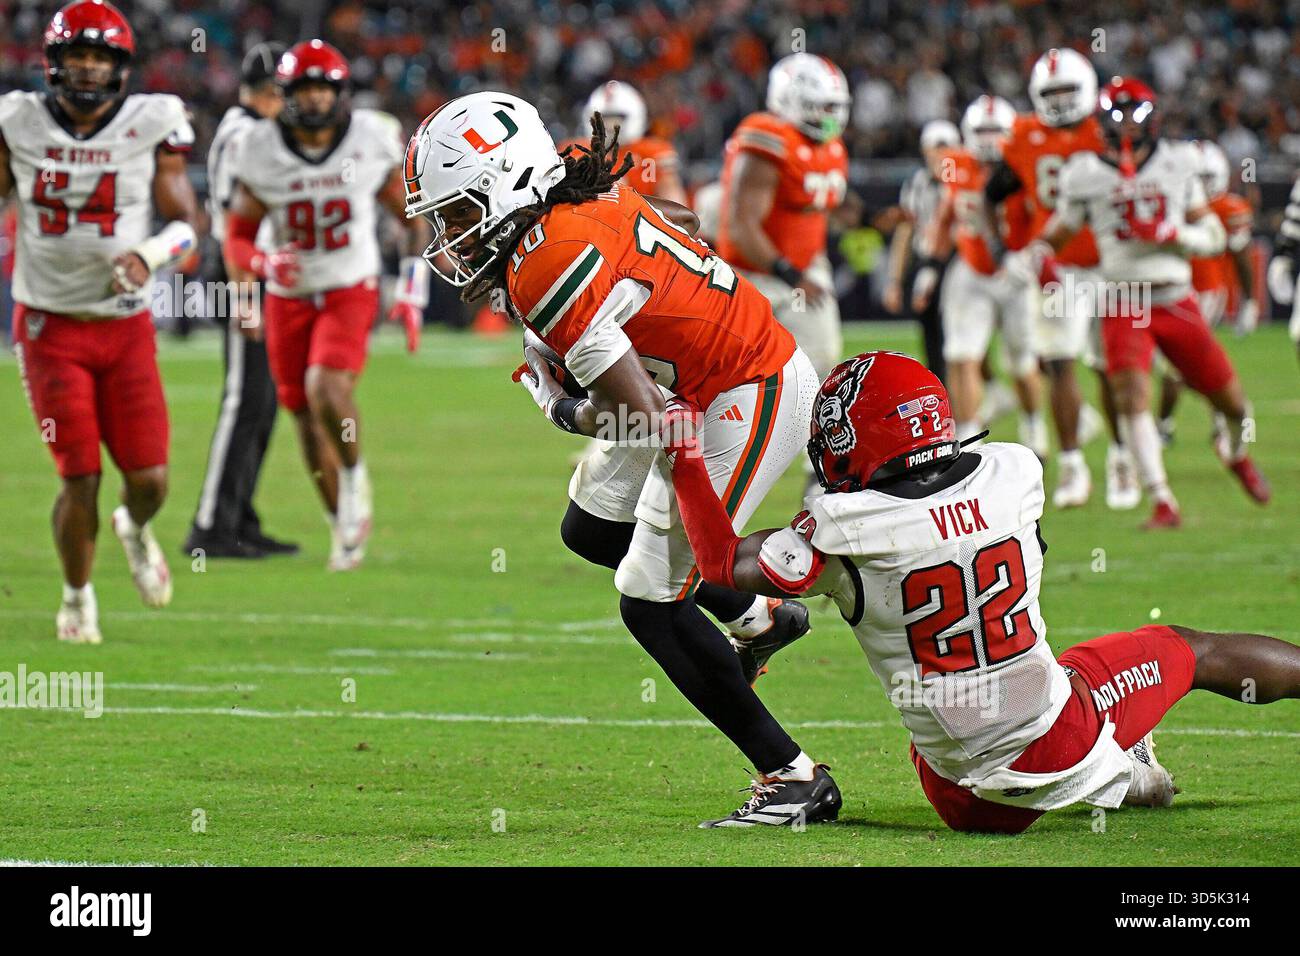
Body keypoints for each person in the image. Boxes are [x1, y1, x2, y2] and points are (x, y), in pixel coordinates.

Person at [404, 93, 839, 827]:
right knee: (593, 531)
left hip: (742, 386)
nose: (451, 236)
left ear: (506, 183)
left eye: (455, 213)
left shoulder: (548, 259)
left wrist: (559, 404)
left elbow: (650, 419)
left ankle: (792, 773)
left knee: (649, 601)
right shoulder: (570, 178)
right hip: (686, 380)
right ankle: (758, 616)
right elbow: (684, 222)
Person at [661, 349, 1300, 832]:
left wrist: (687, 456)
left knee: (985, 694)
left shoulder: (837, 533)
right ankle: (1122, 771)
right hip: (1058, 732)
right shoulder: (1014, 471)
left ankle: (1126, 774)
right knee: (1187, 650)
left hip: (959, 797)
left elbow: (716, 562)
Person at [1, 0, 200, 643]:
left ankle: (135, 527)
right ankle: (76, 595)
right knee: (77, 472)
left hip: (124, 325)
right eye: (76, 55)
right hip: (50, 327)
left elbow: (188, 229)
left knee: (150, 478)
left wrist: (150, 255)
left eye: (100, 56)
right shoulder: (17, 122)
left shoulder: (153, 122)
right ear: (52, 63)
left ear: (121, 67)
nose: (87, 67)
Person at [1028, 77, 1269, 528]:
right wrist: (1040, 256)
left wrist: (1171, 234)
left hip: (1175, 296)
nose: (1126, 129)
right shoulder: (1085, 171)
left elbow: (1214, 236)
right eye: (1116, 118)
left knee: (1233, 403)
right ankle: (1162, 499)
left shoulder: (1177, 163)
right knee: (1132, 395)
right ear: (1100, 123)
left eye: (1134, 117)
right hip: (1123, 298)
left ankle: (1235, 454)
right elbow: (1056, 232)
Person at [222, 40, 426, 571]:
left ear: (341, 93)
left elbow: (409, 218)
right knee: (302, 417)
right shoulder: (259, 147)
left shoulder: (369, 138)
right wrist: (263, 266)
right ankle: (341, 526)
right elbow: (237, 236)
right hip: (288, 297)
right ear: (284, 94)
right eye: (303, 89)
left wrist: (411, 289)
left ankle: (357, 480)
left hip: (348, 285)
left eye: (324, 88)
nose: (314, 100)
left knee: (324, 388)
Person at [988, 48, 1130, 509]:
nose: (1062, 101)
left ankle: (1122, 456)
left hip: (1110, 264)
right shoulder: (1025, 135)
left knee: (1111, 366)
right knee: (1061, 362)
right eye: (1053, 93)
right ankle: (1072, 464)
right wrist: (1004, 248)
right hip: (1058, 269)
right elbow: (992, 192)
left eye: (1069, 90)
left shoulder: (1106, 129)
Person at [182, 41, 298, 560]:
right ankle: (210, 525)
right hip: (242, 275)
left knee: (262, 402)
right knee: (243, 400)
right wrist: (246, 298)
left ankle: (238, 517)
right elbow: (233, 226)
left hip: (261, 274)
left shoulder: (250, 129)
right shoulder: (244, 134)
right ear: (270, 92)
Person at [717, 53, 851, 382]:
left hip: (804, 267)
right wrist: (792, 276)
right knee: (725, 376)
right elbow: (742, 225)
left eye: (834, 106)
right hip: (755, 275)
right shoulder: (768, 135)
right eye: (821, 105)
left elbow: (815, 206)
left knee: (818, 363)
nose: (830, 116)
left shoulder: (830, 148)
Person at [924, 95, 1046, 456]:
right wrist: (931, 265)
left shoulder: (1025, 168)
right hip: (972, 269)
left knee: (1021, 361)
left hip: (1016, 272)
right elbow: (946, 210)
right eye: (982, 130)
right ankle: (969, 437)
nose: (989, 138)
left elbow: (1044, 214)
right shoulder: (955, 164)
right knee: (961, 354)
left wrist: (1032, 256)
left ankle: (1034, 423)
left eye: (996, 131)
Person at [885, 119, 960, 383]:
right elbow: (905, 232)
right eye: (935, 149)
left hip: (956, 261)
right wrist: (894, 281)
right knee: (931, 335)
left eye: (945, 148)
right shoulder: (917, 183)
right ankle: (944, 397)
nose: (940, 156)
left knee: (958, 336)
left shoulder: (962, 179)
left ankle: (978, 391)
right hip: (925, 259)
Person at [580, 81, 686, 205]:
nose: (609, 126)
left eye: (616, 118)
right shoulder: (579, 151)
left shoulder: (653, 151)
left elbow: (674, 202)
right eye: (605, 119)